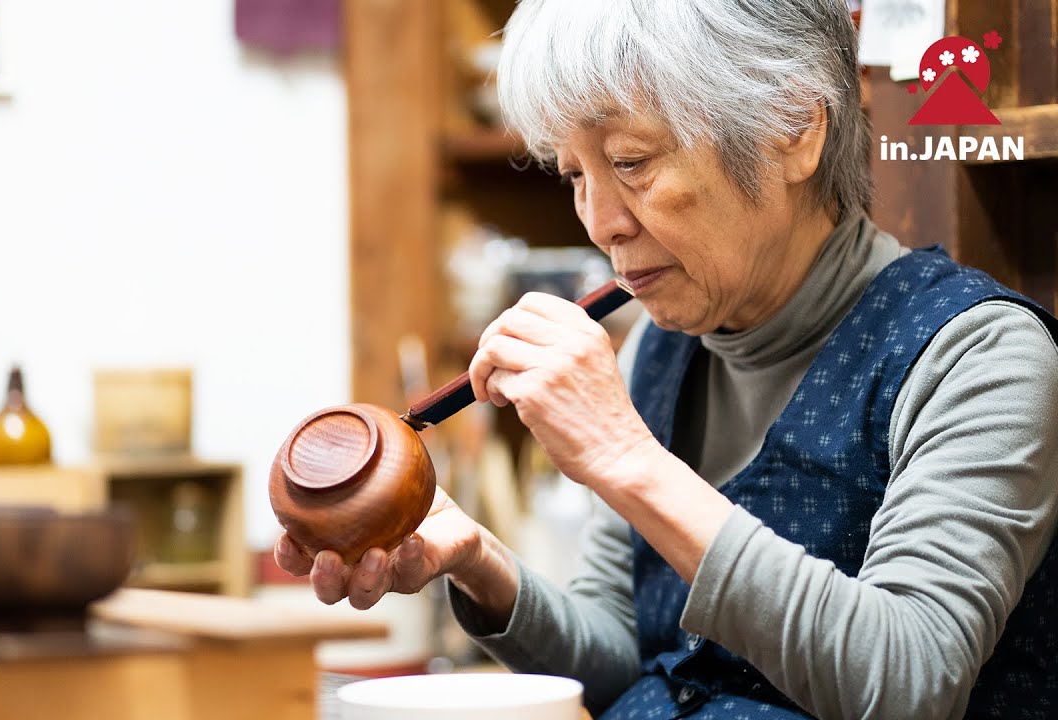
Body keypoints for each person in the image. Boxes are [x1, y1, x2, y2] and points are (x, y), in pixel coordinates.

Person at [274, 1, 1058, 717]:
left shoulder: (976, 354)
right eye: (575, 174)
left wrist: (625, 457)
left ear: (794, 128)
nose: (599, 223)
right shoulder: (660, 347)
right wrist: (480, 563)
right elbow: (630, 661)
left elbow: (909, 681)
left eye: (631, 161)